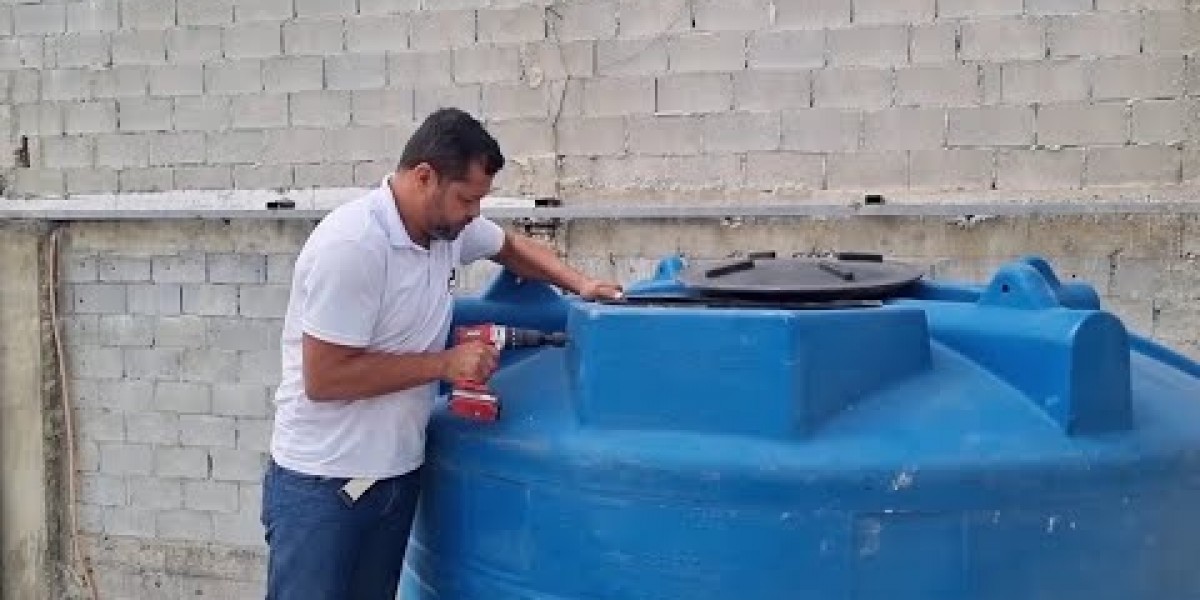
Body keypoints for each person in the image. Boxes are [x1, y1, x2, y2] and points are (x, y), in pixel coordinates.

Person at [261, 108, 623, 599]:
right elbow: (324, 378)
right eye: (467, 198)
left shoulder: (442, 231)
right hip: (325, 483)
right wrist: (444, 365)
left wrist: (581, 284)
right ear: (424, 176)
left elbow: (511, 248)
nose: (474, 213)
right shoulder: (353, 247)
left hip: (395, 473)